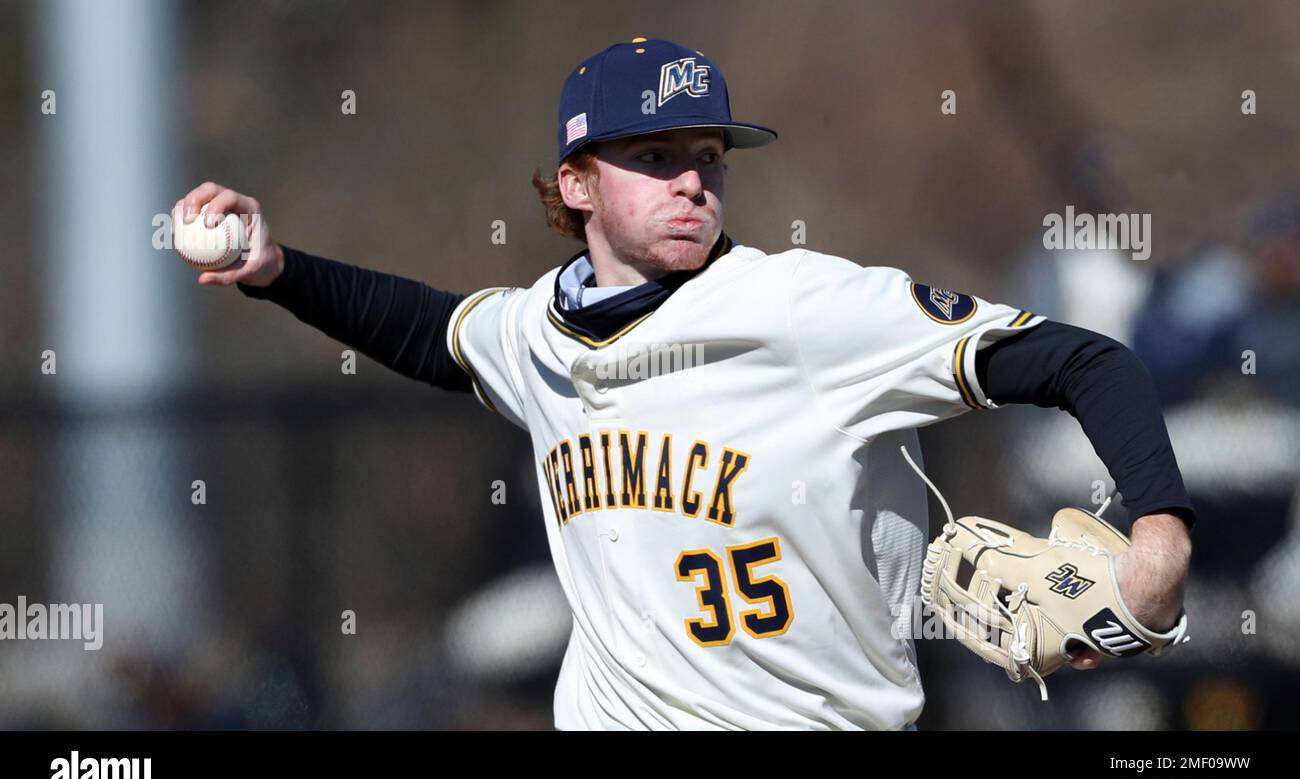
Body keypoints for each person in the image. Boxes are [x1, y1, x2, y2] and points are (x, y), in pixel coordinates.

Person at [175, 38, 1194, 730]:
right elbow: (431, 331)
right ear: (575, 183)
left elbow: (1083, 357)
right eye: (654, 155)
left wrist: (1158, 532)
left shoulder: (808, 310)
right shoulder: (536, 330)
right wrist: (277, 271)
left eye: (706, 156)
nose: (691, 180)